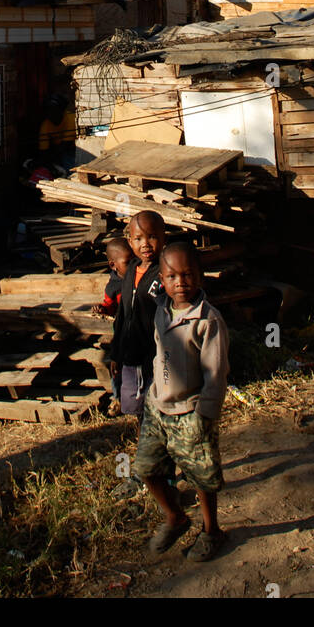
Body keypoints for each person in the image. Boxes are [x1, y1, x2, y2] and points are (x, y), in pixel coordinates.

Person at [132, 240, 229, 562]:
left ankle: (211, 530)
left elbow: (216, 372)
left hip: (191, 412)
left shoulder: (207, 320)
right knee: (146, 468)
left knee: (201, 477)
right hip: (158, 407)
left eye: (188, 275)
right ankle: (175, 516)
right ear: (162, 278)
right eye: (172, 276)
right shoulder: (161, 310)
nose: (180, 283)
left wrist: (206, 414)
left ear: (200, 277)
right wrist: (152, 395)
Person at [109, 211, 167, 422]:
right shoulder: (132, 269)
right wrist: (116, 352)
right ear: (130, 241)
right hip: (131, 355)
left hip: (156, 355)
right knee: (139, 411)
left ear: (163, 238)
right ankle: (145, 451)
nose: (145, 244)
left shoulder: (165, 271)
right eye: (138, 238)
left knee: (159, 409)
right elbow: (122, 313)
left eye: (152, 237)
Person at [91, 237, 135, 320]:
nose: (133, 265)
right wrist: (102, 309)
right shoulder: (113, 287)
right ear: (113, 265)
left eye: (135, 260)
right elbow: (110, 307)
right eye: (128, 262)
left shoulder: (140, 275)